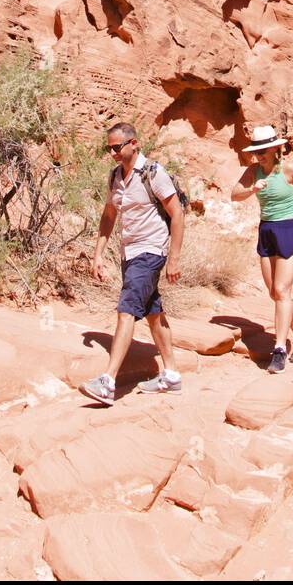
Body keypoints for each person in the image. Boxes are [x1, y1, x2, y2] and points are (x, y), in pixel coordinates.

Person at [80, 123, 185, 406]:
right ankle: (171, 374)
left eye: (117, 147)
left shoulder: (153, 173)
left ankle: (108, 382)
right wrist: (98, 253)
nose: (112, 153)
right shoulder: (116, 175)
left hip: (151, 251)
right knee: (153, 311)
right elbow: (108, 215)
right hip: (130, 253)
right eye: (109, 149)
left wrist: (173, 258)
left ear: (134, 143)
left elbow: (177, 213)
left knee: (126, 310)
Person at [231, 124, 293, 374]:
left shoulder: (288, 169)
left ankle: (280, 349)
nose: (259, 155)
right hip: (267, 231)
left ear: (275, 149)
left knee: (283, 289)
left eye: (264, 150)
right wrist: (252, 189)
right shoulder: (254, 171)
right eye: (256, 151)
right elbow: (234, 194)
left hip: (289, 230)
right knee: (275, 292)